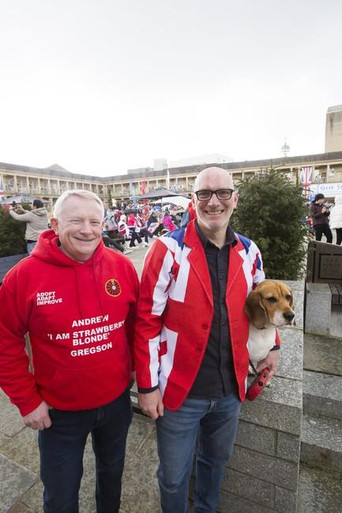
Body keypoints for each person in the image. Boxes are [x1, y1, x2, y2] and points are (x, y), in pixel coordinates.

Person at [134, 167, 280, 513]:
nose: (214, 202)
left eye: (223, 193)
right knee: (173, 476)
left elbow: (264, 304)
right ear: (193, 201)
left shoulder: (249, 251)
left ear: (235, 199)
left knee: (216, 465)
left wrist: (273, 345)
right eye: (204, 194)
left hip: (230, 389)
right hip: (178, 392)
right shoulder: (167, 250)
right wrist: (147, 385)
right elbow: (146, 322)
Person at [0, 190, 139, 513]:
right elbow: (5, 340)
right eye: (76, 220)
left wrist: (134, 370)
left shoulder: (122, 267)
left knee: (112, 478)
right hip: (59, 413)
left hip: (116, 404)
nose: (86, 230)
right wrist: (27, 400)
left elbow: (135, 325)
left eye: (94, 221)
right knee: (61, 496)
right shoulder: (24, 276)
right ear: (54, 224)